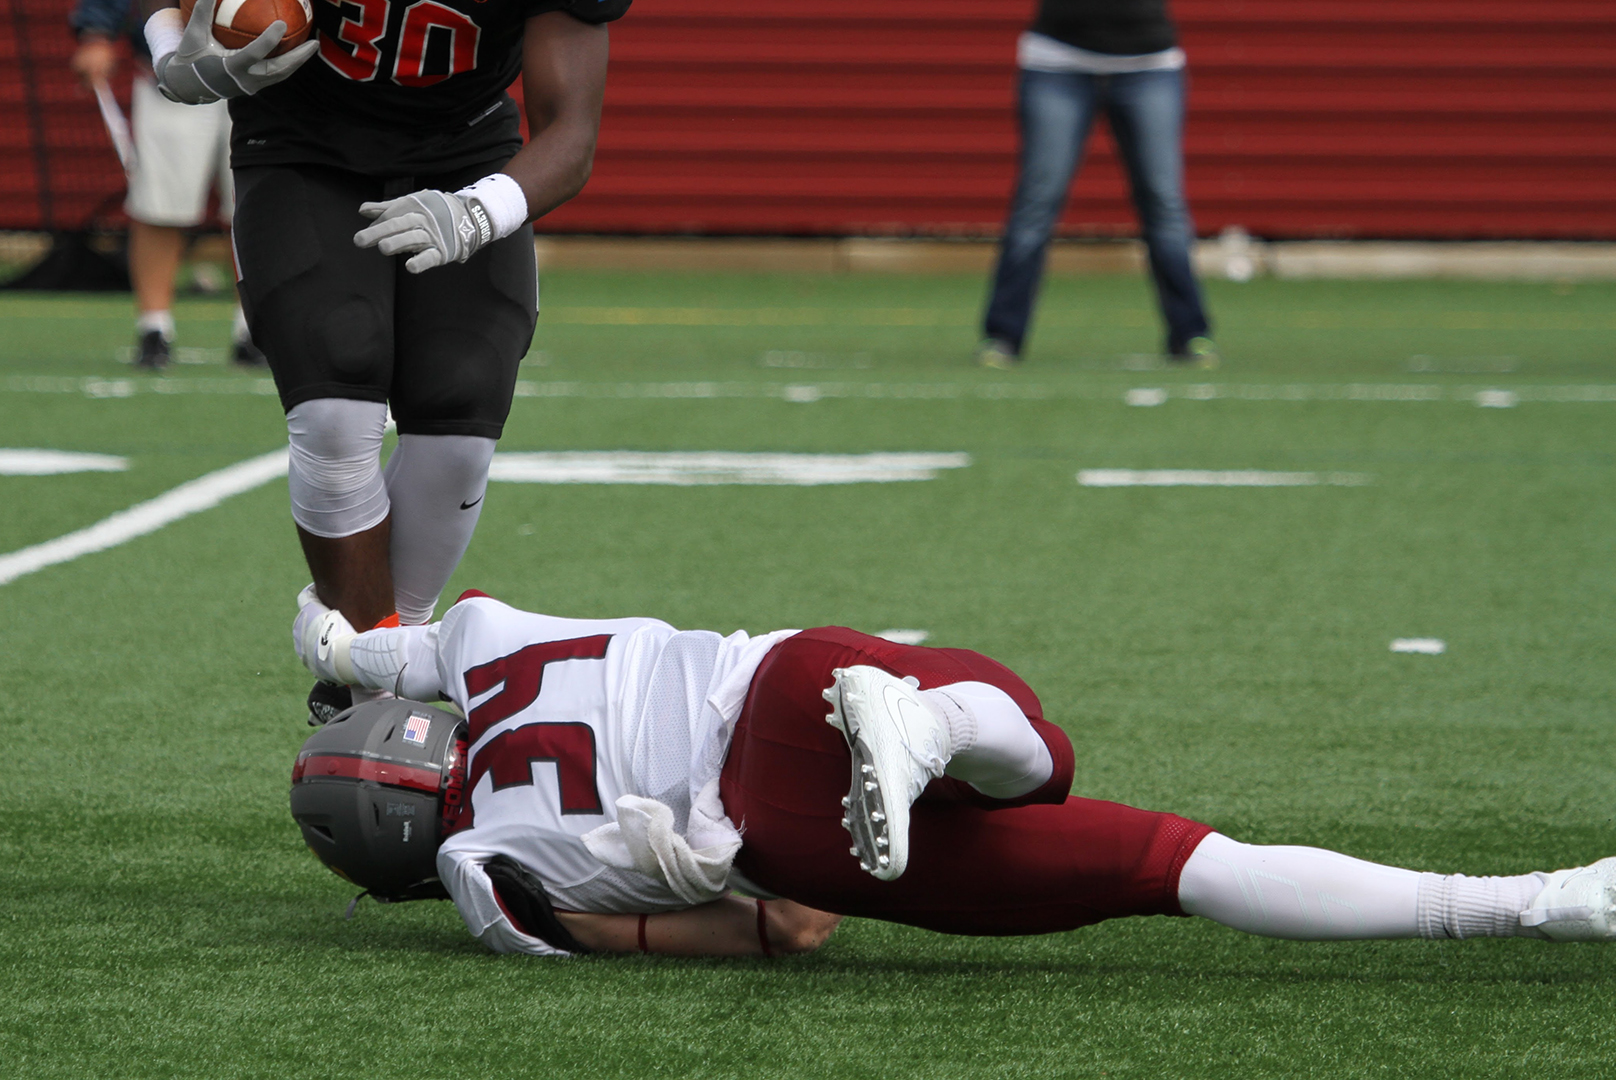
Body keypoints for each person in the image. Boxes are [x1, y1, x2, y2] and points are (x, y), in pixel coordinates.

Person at [286, 591, 1616, 956]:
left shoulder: (476, 872)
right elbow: (404, 650)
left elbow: (741, 932)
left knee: (1161, 869)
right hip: (792, 676)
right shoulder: (480, 645)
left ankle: (1540, 902)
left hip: (778, 826)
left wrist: (751, 920)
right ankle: (931, 727)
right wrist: (342, 644)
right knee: (1035, 747)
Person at [147, 0, 627, 689]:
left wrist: (475, 211)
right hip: (300, 144)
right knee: (337, 381)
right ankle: (380, 693)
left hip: (465, 149)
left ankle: (370, 664)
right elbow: (173, 7)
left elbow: (571, 134)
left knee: (461, 409)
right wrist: (173, 55)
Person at [978, 0, 1217, 370]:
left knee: (1163, 202)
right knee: (1036, 203)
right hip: (1056, 62)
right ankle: (1003, 336)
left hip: (1148, 64)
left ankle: (1190, 334)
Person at [68, 0, 263, 370]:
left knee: (258, 205)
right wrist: (96, 32)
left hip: (268, 69)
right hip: (177, 61)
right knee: (159, 207)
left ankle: (255, 329)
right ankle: (154, 328)